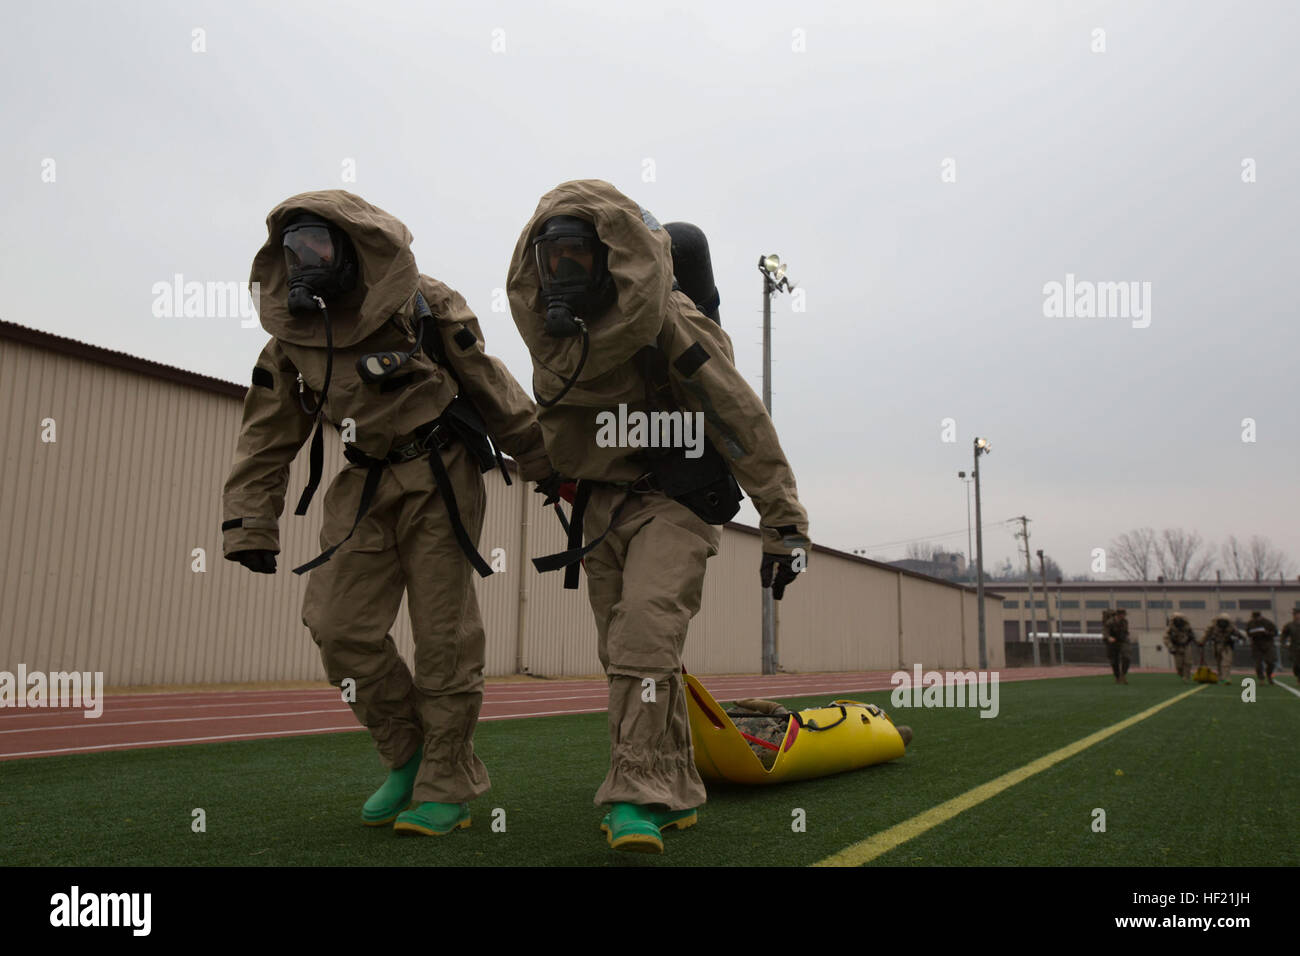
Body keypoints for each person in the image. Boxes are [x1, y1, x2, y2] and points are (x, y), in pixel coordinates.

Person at [222, 190, 554, 836]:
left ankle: (447, 784)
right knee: (337, 626)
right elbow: (265, 432)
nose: (307, 263)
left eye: (318, 247)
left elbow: (491, 384)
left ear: (350, 248)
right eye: (295, 252)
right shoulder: (294, 336)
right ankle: (409, 752)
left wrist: (548, 464)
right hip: (363, 481)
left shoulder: (422, 301)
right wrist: (249, 520)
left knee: (443, 637)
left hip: (440, 474)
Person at [505, 180, 811, 853]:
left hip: (674, 501)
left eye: (578, 259)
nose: (563, 275)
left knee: (644, 638)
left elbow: (741, 421)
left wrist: (784, 526)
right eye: (552, 261)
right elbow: (554, 426)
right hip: (602, 507)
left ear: (612, 259)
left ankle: (635, 795)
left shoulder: (673, 322)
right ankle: (674, 791)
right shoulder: (559, 341)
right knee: (626, 653)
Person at [1204, 613, 1242, 685]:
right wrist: (1202, 642)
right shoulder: (1213, 626)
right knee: (1219, 662)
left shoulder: (1231, 627)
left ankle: (1226, 678)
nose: (1222, 623)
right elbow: (1207, 634)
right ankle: (1220, 676)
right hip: (1217, 646)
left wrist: (1239, 637)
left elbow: (1238, 635)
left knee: (1226, 663)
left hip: (1227, 647)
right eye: (1221, 621)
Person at [1245, 609, 1278, 685]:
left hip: (1268, 644)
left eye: (1257, 617)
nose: (1256, 619)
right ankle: (1261, 679)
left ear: (1260, 616)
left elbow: (1275, 632)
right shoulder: (1250, 623)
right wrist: (1252, 633)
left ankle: (1269, 675)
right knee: (1258, 664)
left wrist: (1267, 633)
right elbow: (1248, 632)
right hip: (1256, 645)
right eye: (1254, 617)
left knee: (1270, 662)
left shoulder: (1268, 622)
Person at [1164, 612, 1196, 682]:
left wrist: (1194, 639)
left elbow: (1192, 635)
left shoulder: (1187, 627)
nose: (1178, 621)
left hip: (1186, 646)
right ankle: (1182, 674)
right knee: (1179, 665)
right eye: (1176, 619)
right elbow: (1166, 638)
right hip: (1176, 647)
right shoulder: (1170, 629)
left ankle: (1186, 677)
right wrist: (1170, 647)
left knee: (1188, 662)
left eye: (1179, 619)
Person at [1103, 608, 1131, 684]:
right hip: (1112, 643)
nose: (1124, 616)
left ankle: (1123, 675)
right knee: (1114, 661)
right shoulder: (1110, 622)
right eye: (1123, 614)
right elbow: (1105, 631)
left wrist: (1126, 638)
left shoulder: (1124, 622)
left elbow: (1125, 632)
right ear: (1118, 614)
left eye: (1124, 614)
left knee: (1127, 657)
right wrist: (1109, 637)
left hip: (1122, 641)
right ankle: (1117, 677)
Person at [1281, 609, 1300, 684]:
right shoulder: (1289, 625)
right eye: (1296, 614)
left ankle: (1299, 678)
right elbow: (1284, 635)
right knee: (1296, 664)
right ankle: (1297, 675)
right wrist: (1283, 643)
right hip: (1294, 647)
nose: (1298, 616)